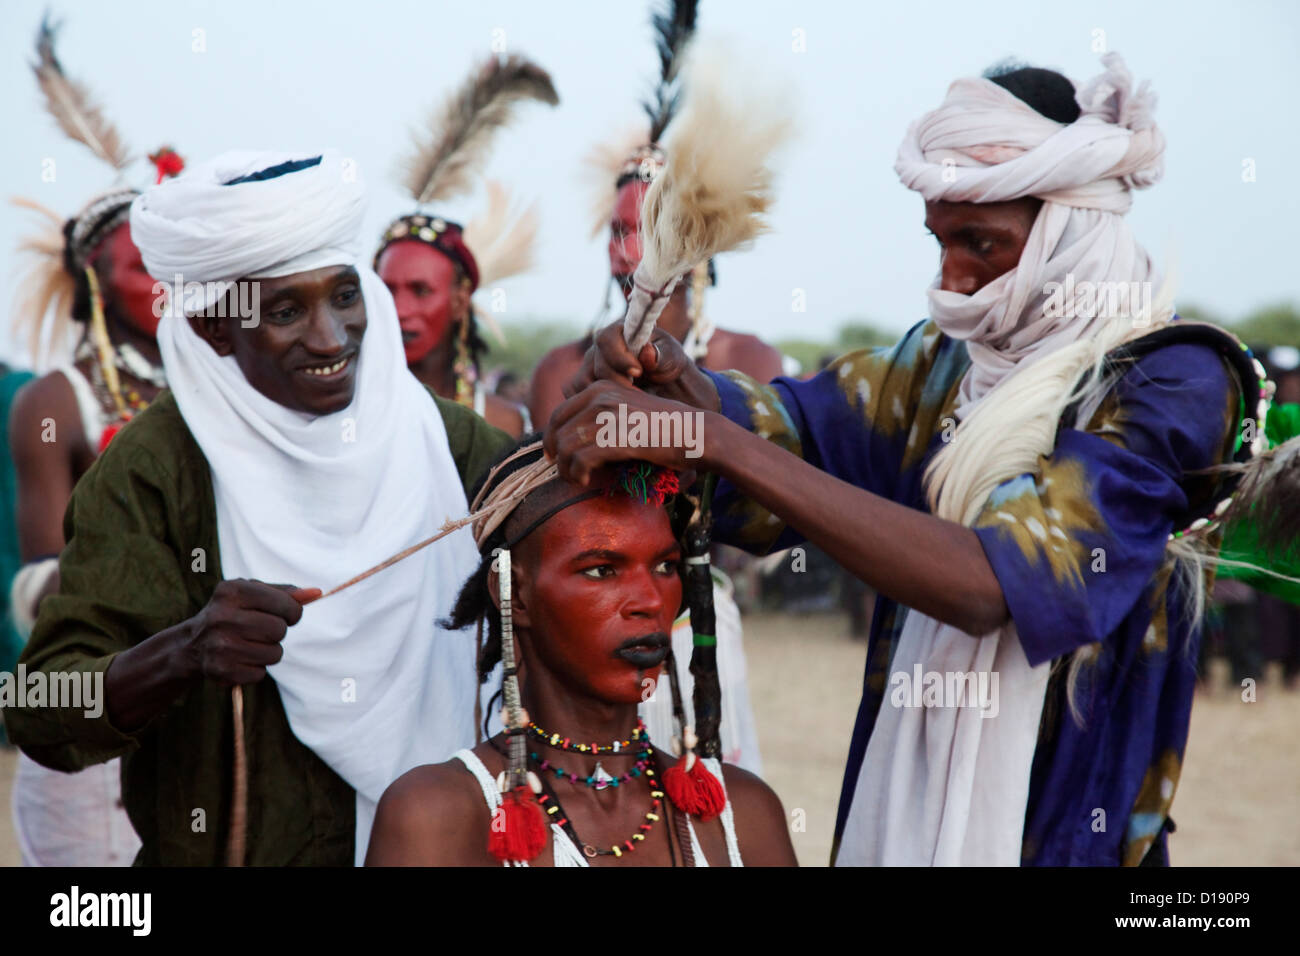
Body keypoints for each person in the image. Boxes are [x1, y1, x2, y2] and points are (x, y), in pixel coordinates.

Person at [549, 55, 1281, 866]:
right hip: (903, 815)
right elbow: (793, 428)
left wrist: (708, 439)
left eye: (982, 243)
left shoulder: (1172, 381)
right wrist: (682, 390)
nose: (951, 280)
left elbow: (998, 585)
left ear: (1072, 228)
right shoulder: (944, 360)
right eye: (939, 242)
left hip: (1077, 831)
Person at [2, 149, 512, 865]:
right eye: (284, 312)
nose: (332, 339)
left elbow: (577, 550)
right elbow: (42, 712)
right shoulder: (155, 469)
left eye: (343, 297)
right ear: (215, 329)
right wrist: (182, 653)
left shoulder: (446, 443)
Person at [366, 438, 796, 866]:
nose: (648, 600)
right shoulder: (435, 817)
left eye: (665, 566)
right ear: (513, 595)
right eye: (601, 570)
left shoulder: (744, 814)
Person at [6, 19, 179, 866]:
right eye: (141, 265)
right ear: (96, 282)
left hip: (196, 705)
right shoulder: (56, 401)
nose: (164, 283)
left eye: (173, 262)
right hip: (95, 705)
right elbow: (42, 580)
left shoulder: (215, 392)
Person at [376, 54, 558, 438]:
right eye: (387, 290)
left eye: (421, 291)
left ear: (461, 299)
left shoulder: (504, 425)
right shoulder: (345, 417)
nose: (400, 309)